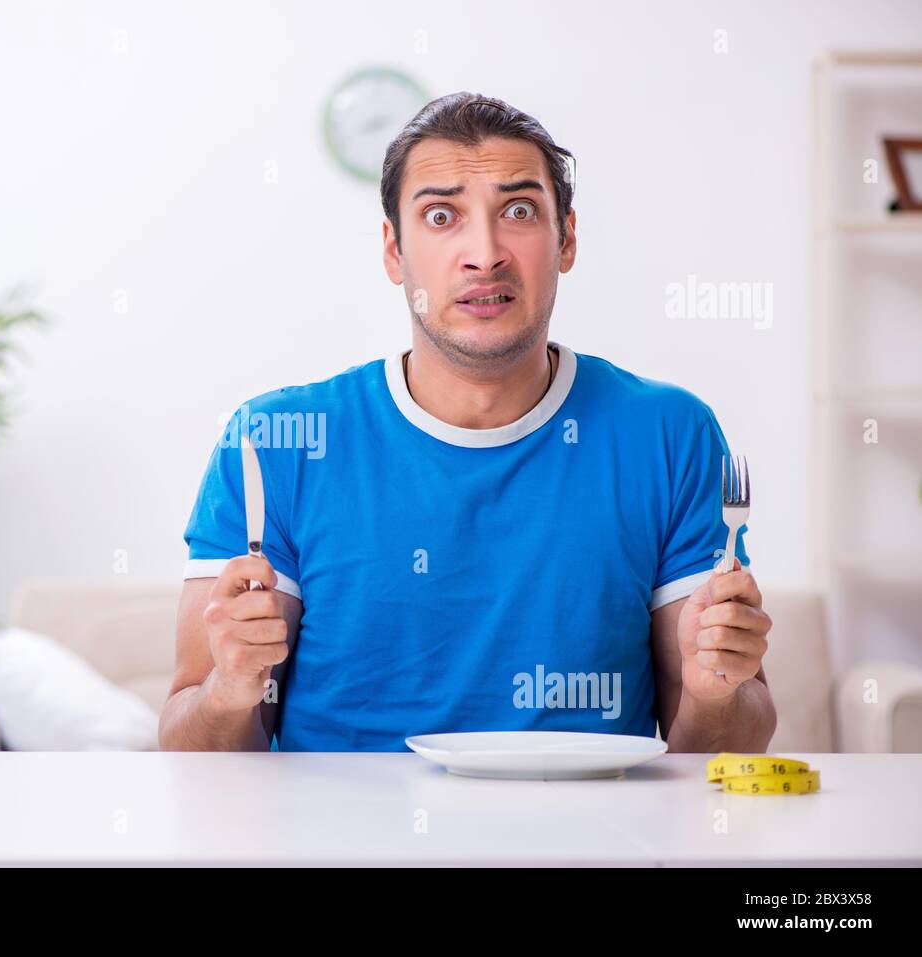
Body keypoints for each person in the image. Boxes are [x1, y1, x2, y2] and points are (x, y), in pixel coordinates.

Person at [158, 92, 775, 753]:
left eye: (518, 210)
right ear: (395, 251)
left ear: (566, 238)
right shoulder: (272, 444)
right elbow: (194, 749)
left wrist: (716, 691)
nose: (485, 254)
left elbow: (724, 748)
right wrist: (229, 690)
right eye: (441, 215)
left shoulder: (670, 434)